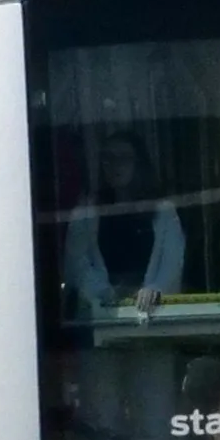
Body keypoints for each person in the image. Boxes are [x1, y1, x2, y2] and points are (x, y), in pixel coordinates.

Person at [62, 126, 185, 320]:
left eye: (124, 158)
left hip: (152, 316)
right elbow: (76, 263)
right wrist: (105, 292)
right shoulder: (85, 212)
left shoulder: (164, 211)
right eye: (108, 158)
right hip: (101, 317)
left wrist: (154, 289)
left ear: (139, 163)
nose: (115, 165)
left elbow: (173, 261)